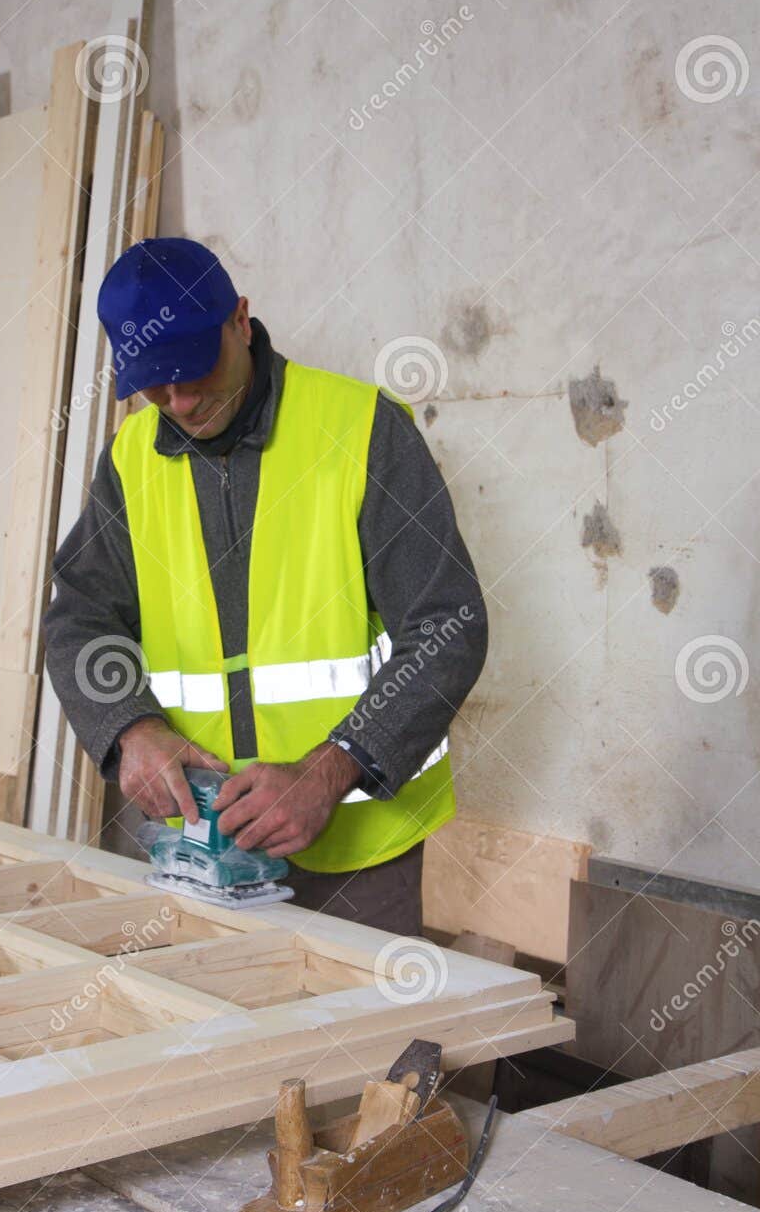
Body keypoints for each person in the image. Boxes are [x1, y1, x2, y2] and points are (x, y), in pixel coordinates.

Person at [43, 237, 487, 935]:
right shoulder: (130, 459)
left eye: (195, 370)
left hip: (354, 848)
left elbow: (445, 626)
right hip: (196, 843)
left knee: (359, 1039)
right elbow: (79, 618)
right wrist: (130, 729)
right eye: (157, 384)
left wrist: (331, 770)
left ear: (240, 321)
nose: (182, 401)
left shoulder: (363, 430)